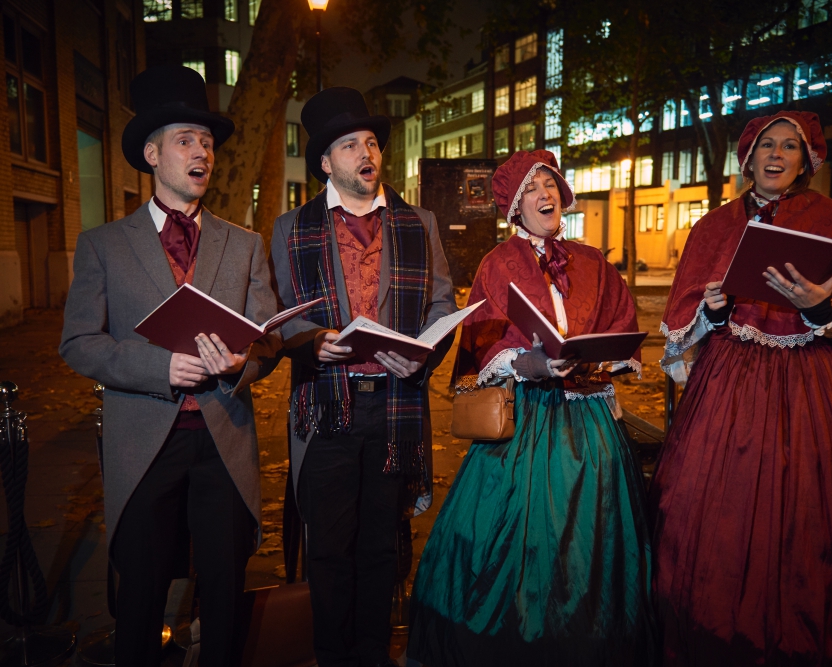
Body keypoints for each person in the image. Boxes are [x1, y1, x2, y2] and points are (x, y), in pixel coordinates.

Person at [650, 111, 832, 665]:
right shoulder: (714, 225)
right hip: (727, 382)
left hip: (808, 383)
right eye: (766, 145)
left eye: (789, 146)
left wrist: (819, 308)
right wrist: (713, 311)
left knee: (813, 512)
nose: (776, 155)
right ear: (749, 156)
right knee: (710, 511)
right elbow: (682, 324)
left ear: (808, 160)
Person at [60, 65, 281, 666]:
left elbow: (267, 340)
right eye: (185, 140)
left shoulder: (245, 244)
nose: (201, 152)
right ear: (152, 154)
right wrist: (160, 368)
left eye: (207, 142)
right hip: (143, 445)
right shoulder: (103, 245)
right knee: (140, 603)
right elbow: (79, 342)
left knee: (224, 600)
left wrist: (242, 362)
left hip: (223, 442)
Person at [407, 149, 656, 667]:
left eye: (550, 183)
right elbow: (482, 343)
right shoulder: (498, 263)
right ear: (514, 206)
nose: (545, 193)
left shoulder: (591, 261)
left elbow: (621, 328)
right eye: (532, 188)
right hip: (527, 421)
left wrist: (601, 361)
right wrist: (533, 363)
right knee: (518, 539)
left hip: (588, 422)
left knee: (593, 536)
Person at [269, 87, 456, 667]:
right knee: (328, 547)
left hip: (393, 406)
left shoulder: (418, 222)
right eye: (349, 144)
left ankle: (374, 652)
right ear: (326, 162)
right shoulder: (289, 229)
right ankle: (331, 652)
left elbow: (442, 306)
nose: (365, 152)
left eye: (371, 142)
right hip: (327, 408)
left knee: (381, 543)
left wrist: (424, 352)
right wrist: (309, 341)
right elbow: (274, 314)